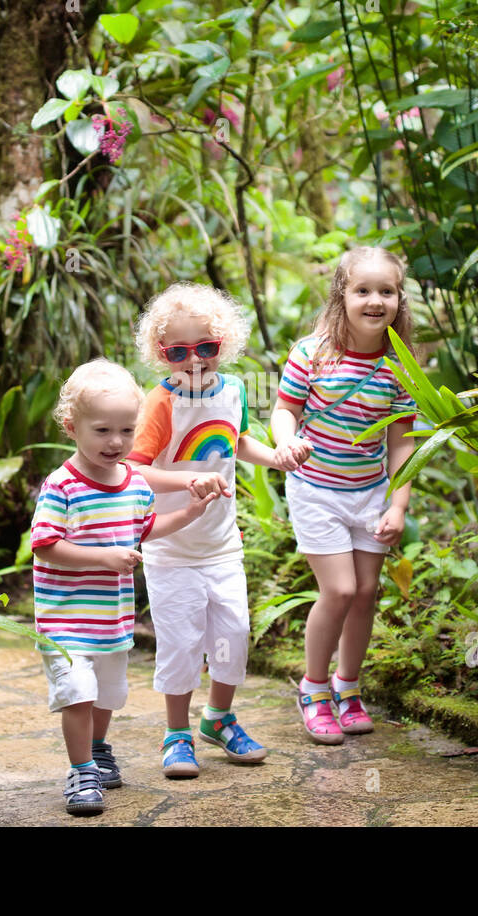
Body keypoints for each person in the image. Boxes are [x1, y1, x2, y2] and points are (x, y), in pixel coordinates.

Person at [31, 358, 217, 815]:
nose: (116, 442)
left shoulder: (133, 482)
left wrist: (189, 514)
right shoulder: (63, 486)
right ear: (72, 427)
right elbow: (45, 546)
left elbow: (144, 528)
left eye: (126, 431)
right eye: (102, 431)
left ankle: (98, 748)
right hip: (66, 620)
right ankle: (81, 772)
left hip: (111, 621)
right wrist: (103, 558)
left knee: (108, 695)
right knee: (79, 692)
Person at [128, 284, 294, 778]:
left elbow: (237, 442)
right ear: (160, 355)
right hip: (171, 548)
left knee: (234, 634)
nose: (194, 360)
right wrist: (187, 480)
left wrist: (278, 456)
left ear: (225, 343)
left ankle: (218, 719)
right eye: (177, 352)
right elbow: (134, 470)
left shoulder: (234, 391)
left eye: (206, 347)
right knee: (180, 643)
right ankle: (176, 733)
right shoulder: (161, 404)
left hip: (222, 545)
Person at [270, 247, 418, 745]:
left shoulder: (400, 368)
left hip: (369, 492)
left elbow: (402, 441)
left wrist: (397, 505)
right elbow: (284, 410)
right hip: (315, 489)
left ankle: (348, 688)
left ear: (399, 299)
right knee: (339, 590)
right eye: (363, 290)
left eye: (386, 291)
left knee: (365, 595)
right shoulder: (311, 352)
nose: (375, 300)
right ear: (342, 295)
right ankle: (314, 690)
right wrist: (285, 440)